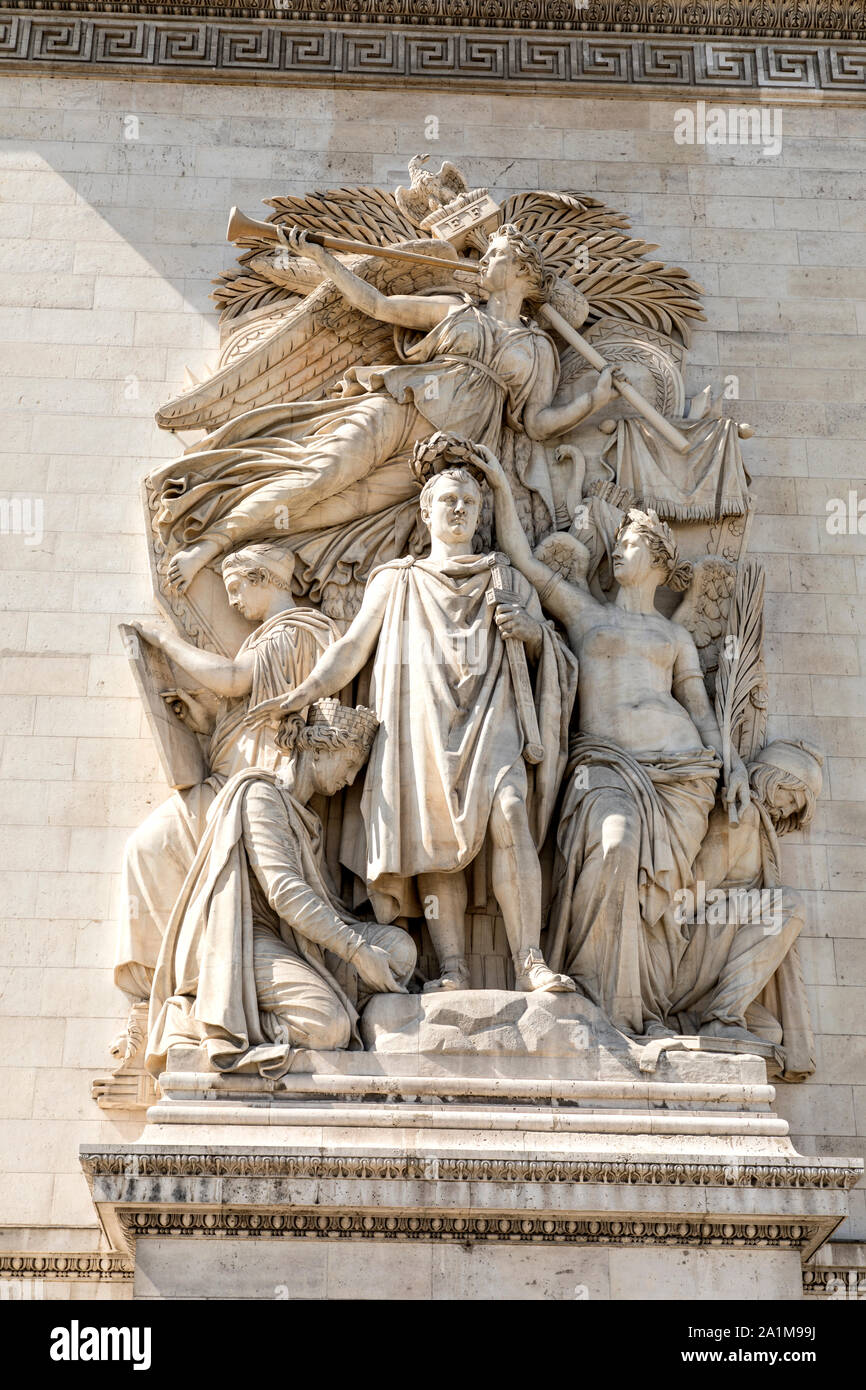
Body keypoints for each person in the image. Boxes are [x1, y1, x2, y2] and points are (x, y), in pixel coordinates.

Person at [247, 461, 578, 993]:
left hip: (493, 714)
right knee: (432, 835)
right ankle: (452, 968)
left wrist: (534, 634)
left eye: (470, 502)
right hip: (421, 717)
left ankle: (530, 961)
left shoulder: (507, 578)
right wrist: (304, 692)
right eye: (448, 500)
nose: (459, 510)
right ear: (425, 511)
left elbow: (555, 654)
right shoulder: (396, 579)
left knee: (512, 814)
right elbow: (353, 646)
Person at [150, 223, 618, 593]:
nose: (484, 261)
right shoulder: (455, 310)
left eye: (495, 255)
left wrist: (591, 402)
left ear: (522, 272)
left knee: (337, 507)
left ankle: (245, 540)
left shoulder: (539, 349)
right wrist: (323, 259)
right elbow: (376, 303)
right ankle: (209, 545)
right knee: (319, 476)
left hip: (442, 455)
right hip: (401, 405)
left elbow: (537, 424)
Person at [470, 442, 751, 1036]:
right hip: (604, 765)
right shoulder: (585, 612)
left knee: (648, 888)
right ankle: (593, 991)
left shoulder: (672, 636)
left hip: (680, 776)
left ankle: (633, 1009)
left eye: (628, 545)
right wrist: (498, 484)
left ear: (656, 559)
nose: (616, 552)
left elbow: (699, 710)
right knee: (615, 845)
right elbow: (521, 556)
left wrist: (735, 766)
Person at [112, 542, 339, 1058]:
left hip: (251, 787)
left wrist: (164, 640)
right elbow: (249, 706)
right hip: (235, 775)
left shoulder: (293, 632)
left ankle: (170, 1002)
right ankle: (163, 1000)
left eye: (238, 587)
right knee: (151, 854)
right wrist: (202, 723)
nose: (233, 600)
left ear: (268, 580)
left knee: (149, 849)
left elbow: (235, 680)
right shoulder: (274, 635)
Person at [146, 700, 415, 1080]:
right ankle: (212, 1021)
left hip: (298, 940)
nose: (351, 780)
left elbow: (323, 905)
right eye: (350, 764)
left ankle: (324, 991)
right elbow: (286, 894)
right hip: (247, 939)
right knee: (329, 1028)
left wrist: (366, 942)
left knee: (400, 948)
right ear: (319, 750)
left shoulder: (308, 820)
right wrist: (357, 952)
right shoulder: (261, 797)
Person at [669, 739, 823, 1078]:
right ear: (772, 779)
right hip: (687, 946)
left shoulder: (758, 822)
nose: (787, 812)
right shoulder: (744, 815)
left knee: (769, 1034)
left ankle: (690, 1019)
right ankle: (720, 1018)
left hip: (711, 952)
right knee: (788, 905)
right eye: (791, 798)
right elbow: (691, 890)